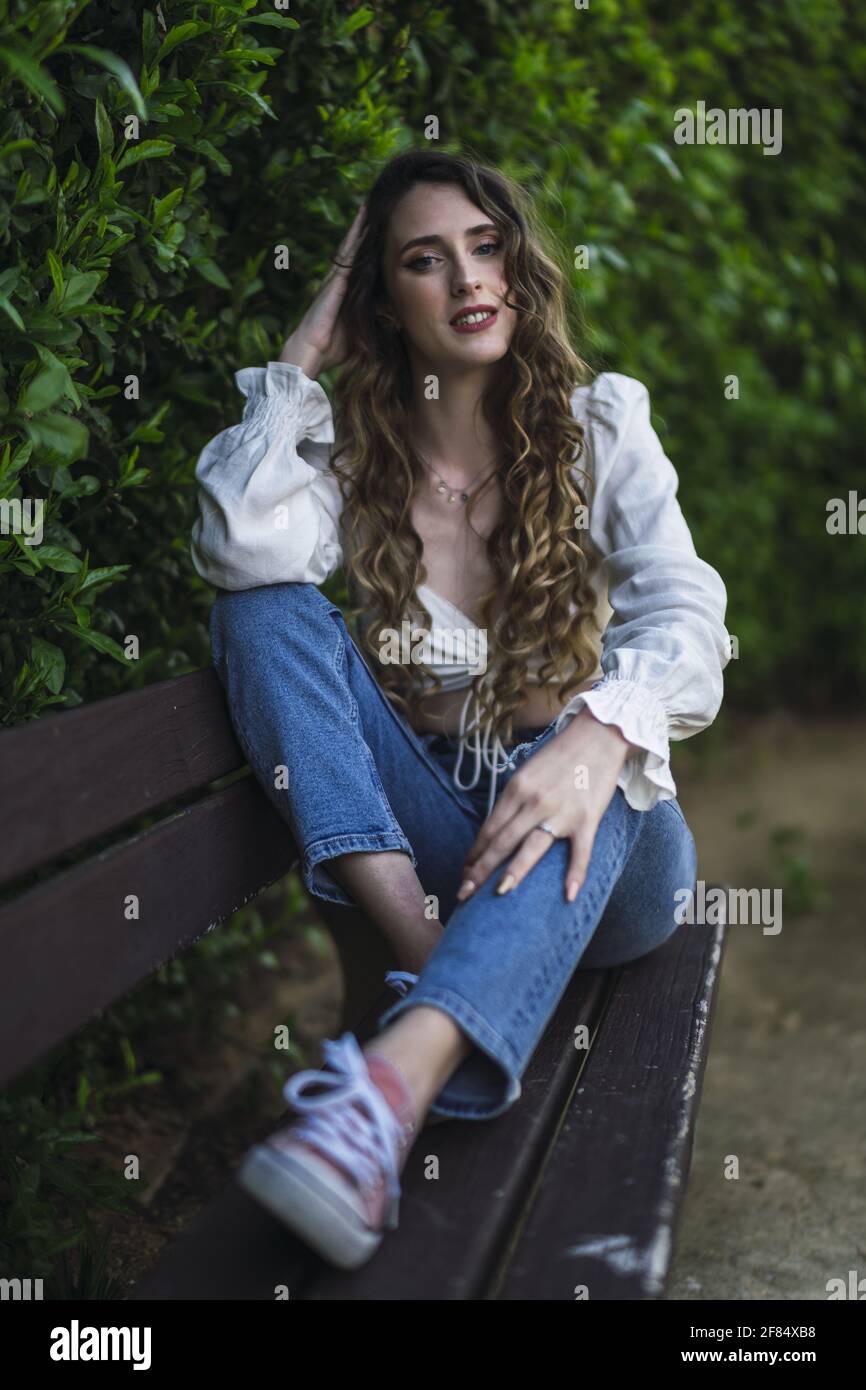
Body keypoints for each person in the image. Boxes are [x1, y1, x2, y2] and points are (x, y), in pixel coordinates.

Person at [189, 150, 729, 1270]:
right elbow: (239, 547)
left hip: (610, 856)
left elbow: (688, 615)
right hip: (436, 852)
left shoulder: (597, 430)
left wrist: (592, 735)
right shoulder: (350, 462)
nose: (467, 278)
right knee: (263, 611)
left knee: (609, 758)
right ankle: (438, 968)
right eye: (423, 262)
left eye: (486, 246)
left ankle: (382, 1095)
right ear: (383, 301)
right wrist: (303, 351)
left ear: (520, 268)